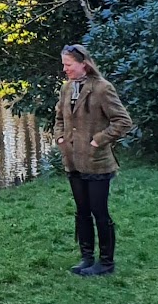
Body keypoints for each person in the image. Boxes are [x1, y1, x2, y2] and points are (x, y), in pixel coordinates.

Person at [54, 44, 134, 276]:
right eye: (64, 65)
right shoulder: (66, 88)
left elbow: (123, 121)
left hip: (97, 161)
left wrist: (98, 140)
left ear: (84, 64)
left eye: (68, 65)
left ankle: (106, 263)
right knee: (82, 211)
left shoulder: (102, 88)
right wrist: (60, 137)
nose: (65, 69)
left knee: (100, 212)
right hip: (73, 160)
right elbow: (59, 117)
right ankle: (86, 257)